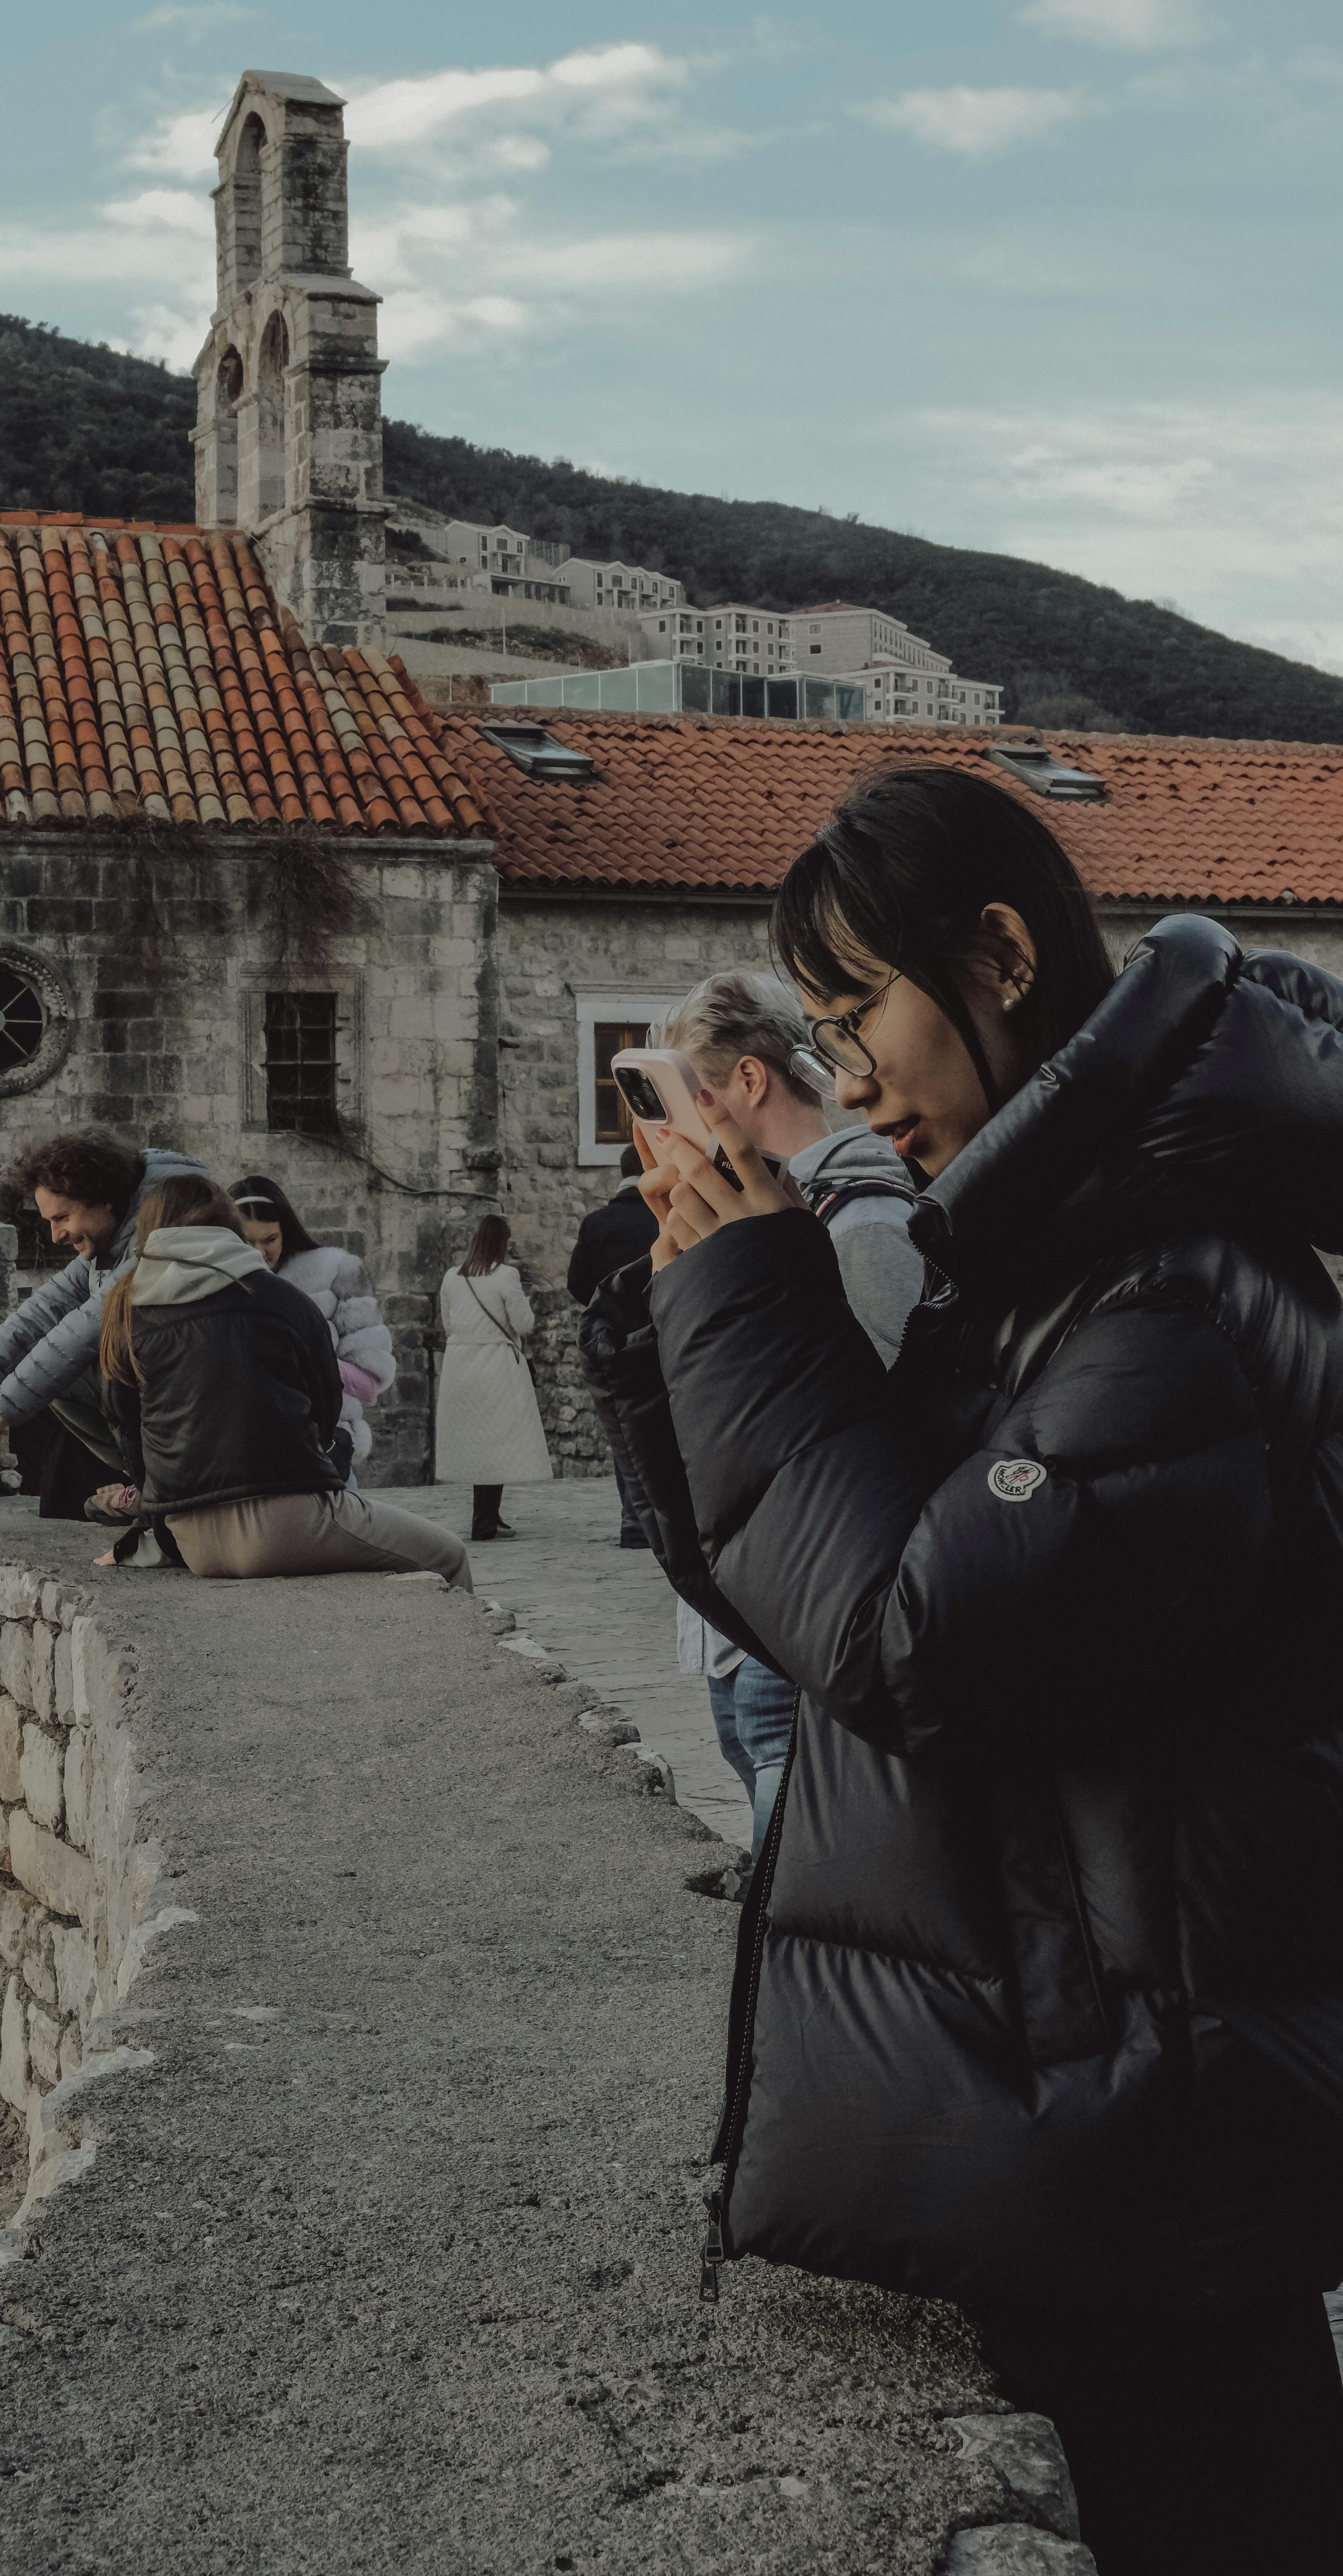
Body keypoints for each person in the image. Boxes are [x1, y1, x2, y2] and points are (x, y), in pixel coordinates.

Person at [582, 765, 1343, 2576]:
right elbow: (809, 1602)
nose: (847, 1082)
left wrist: (753, 1309)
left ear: (997, 956)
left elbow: (914, 1648)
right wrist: (684, 1322)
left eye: (858, 1019)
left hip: (1139, 2142)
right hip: (1074, 2100)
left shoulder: (1163, 1286)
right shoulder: (1037, 1257)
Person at [655, 971, 925, 1849]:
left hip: (804, 1609)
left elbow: (891, 1415)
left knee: (793, 1873)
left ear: (748, 1080)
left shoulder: (863, 1220)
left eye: (683, 1095)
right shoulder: (736, 1220)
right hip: (740, 1612)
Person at [97, 1172, 469, 1587]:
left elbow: (127, 1427)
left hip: (192, 1537)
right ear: (230, 1228)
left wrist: (157, 1525)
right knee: (448, 1556)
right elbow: (326, 1404)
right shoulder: (282, 1298)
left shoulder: (127, 1309)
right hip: (288, 1521)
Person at [0, 1131, 208, 1519]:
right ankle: (150, 1483)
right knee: (55, 1372)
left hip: (201, 1405)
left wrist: (0, 1411)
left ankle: (163, 1486)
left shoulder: (165, 1232)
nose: (55, 1236)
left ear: (105, 1199)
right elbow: (35, 1316)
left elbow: (83, 1331)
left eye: (62, 1218)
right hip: (175, 1397)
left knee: (76, 1364)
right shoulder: (113, 1240)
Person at [227, 1176, 396, 1482]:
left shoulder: (335, 1272)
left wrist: (304, 1363)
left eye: (270, 1240)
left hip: (322, 1451)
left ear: (286, 1231)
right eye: (248, 1242)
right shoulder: (217, 1282)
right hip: (241, 1455)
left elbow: (369, 1383)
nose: (259, 1252)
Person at [435, 1215, 551, 1541]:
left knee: (478, 1442)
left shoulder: (452, 1277)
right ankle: (484, 1522)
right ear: (501, 1243)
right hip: (496, 1363)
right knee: (496, 1439)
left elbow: (449, 1324)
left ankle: (488, 1516)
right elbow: (524, 1324)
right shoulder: (506, 1276)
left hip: (460, 1364)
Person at [568, 1145, 659, 1547]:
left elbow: (577, 1283)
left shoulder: (596, 1224)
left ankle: (633, 1522)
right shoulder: (664, 1216)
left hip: (615, 1339)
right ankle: (669, 1520)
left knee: (627, 1429)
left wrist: (607, 1306)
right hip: (663, 1331)